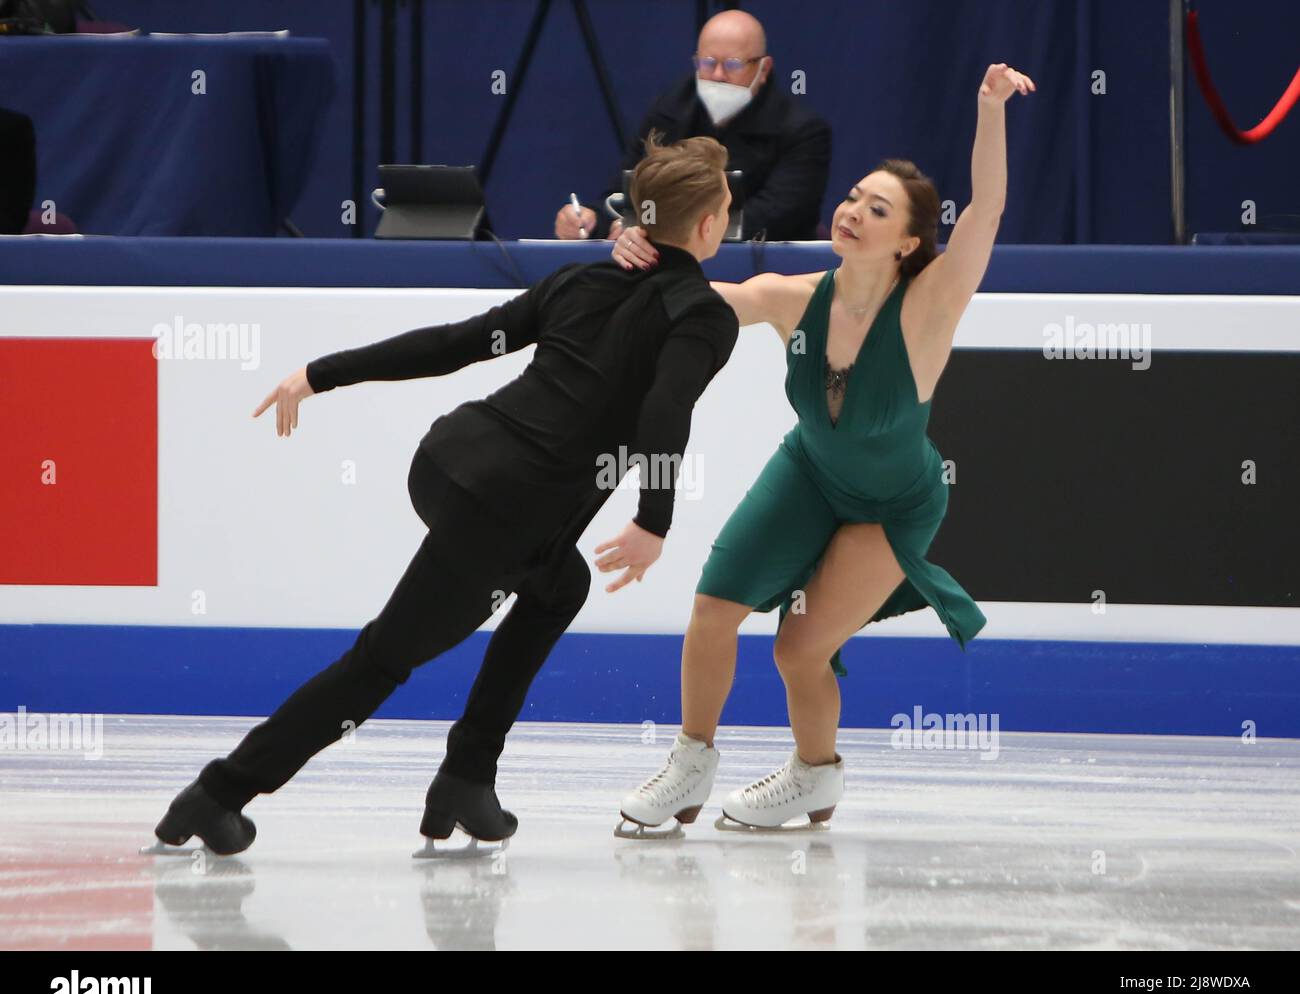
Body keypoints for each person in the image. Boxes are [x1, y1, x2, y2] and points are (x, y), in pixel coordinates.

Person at [149, 131, 741, 856]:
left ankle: (467, 777)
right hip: (507, 508)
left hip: (449, 460)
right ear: (710, 226)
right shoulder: (702, 315)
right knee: (380, 663)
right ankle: (219, 794)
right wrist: (653, 519)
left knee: (558, 586)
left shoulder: (580, 282)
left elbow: (460, 341)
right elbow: (663, 414)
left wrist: (321, 372)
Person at [610, 63, 1035, 834]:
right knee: (713, 608)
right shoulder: (791, 296)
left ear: (908, 240)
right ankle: (688, 766)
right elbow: (697, 300)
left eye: (877, 208)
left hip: (892, 504)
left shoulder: (930, 305)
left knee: (799, 650)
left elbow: (988, 208)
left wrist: (989, 109)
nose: (851, 211)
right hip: (807, 473)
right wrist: (644, 246)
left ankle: (815, 776)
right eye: (850, 197)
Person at [555, 9, 830, 243]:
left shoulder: (803, 131)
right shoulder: (669, 112)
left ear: (764, 69)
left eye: (733, 64)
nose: (718, 75)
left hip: (763, 275)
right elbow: (627, 194)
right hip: (663, 265)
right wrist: (593, 219)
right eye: (707, 63)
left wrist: (664, 229)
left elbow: (773, 216)